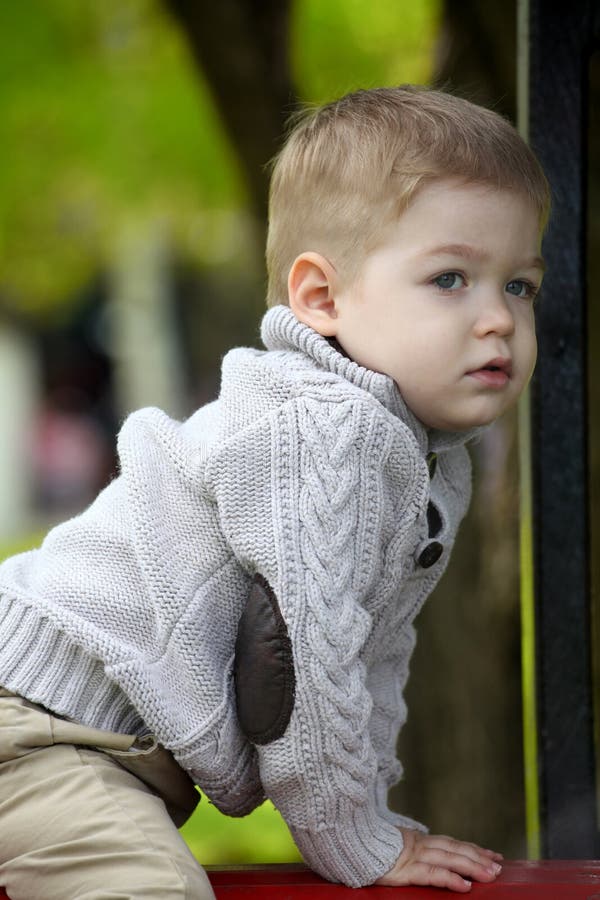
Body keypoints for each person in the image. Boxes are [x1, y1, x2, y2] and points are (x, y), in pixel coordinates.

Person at [0, 85, 550, 899]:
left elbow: (373, 656)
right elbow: (302, 668)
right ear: (321, 299)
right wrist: (355, 841)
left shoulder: (421, 453)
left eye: (519, 286)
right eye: (449, 279)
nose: (498, 319)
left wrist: (369, 812)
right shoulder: (328, 433)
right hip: (38, 730)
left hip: (68, 737)